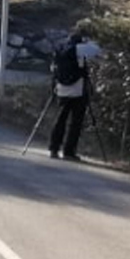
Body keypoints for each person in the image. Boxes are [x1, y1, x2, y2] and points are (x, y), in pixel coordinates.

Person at [49, 30, 102, 161]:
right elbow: (96, 49)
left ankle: (54, 149)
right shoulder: (80, 49)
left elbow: (53, 68)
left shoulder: (60, 48)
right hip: (77, 89)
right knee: (75, 122)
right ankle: (69, 151)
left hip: (61, 88)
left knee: (60, 119)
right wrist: (88, 41)